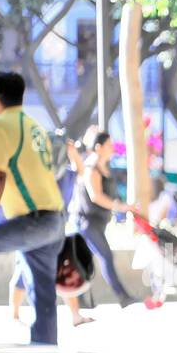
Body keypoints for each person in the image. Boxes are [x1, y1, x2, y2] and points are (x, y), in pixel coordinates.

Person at [0, 71, 67, 344]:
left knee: (43, 292)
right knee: (43, 294)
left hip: (35, 221)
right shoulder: (35, 126)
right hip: (55, 219)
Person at [65, 129, 138, 307]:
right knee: (105, 256)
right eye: (109, 144)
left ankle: (83, 300)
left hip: (96, 222)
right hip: (86, 222)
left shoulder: (105, 167)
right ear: (99, 147)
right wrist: (122, 207)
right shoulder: (91, 167)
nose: (112, 148)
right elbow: (96, 196)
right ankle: (122, 296)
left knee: (84, 261)